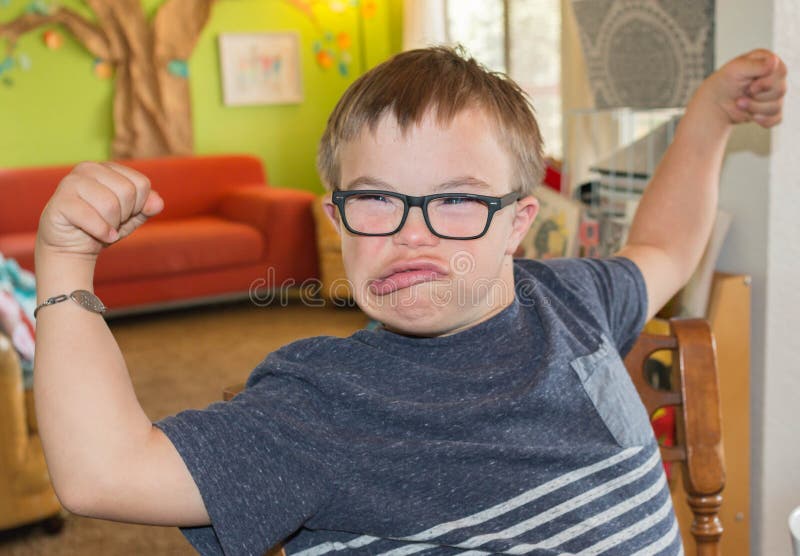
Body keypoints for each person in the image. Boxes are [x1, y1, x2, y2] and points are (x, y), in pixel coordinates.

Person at [33, 46, 786, 555]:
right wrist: (66, 261)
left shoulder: (574, 298)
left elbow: (666, 247)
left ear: (518, 224)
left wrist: (710, 118)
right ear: (337, 220)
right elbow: (104, 472)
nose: (409, 236)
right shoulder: (322, 404)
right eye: (375, 202)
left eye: (455, 201)